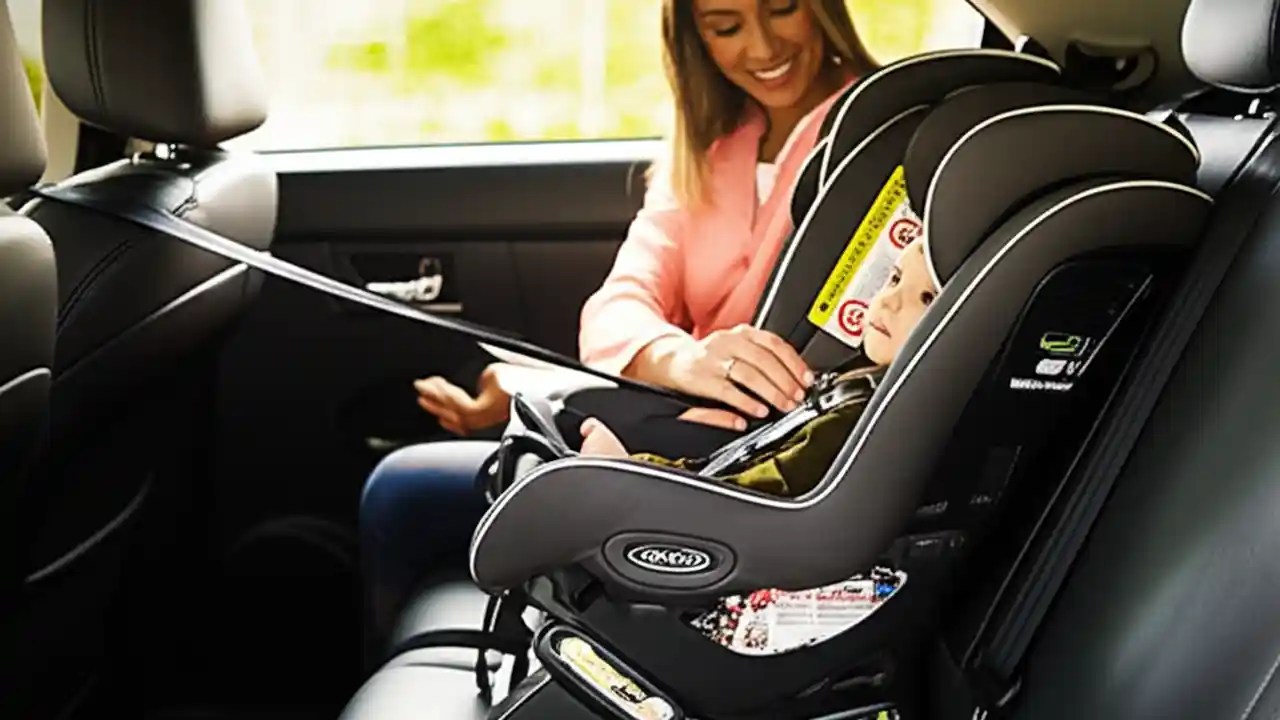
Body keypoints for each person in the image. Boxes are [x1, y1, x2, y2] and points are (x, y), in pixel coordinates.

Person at [361, 0, 880, 656]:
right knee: (403, 486)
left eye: (782, 9)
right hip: (664, 429)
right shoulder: (712, 149)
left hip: (749, 463)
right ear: (695, 37)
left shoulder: (879, 135)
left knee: (403, 493)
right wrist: (682, 359)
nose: (761, 47)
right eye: (726, 26)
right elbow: (616, 308)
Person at [578, 239, 937, 498]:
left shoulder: (858, 414)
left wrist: (632, 473)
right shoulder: (856, 376)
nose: (889, 301)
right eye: (893, 279)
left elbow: (766, 487)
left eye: (926, 298)